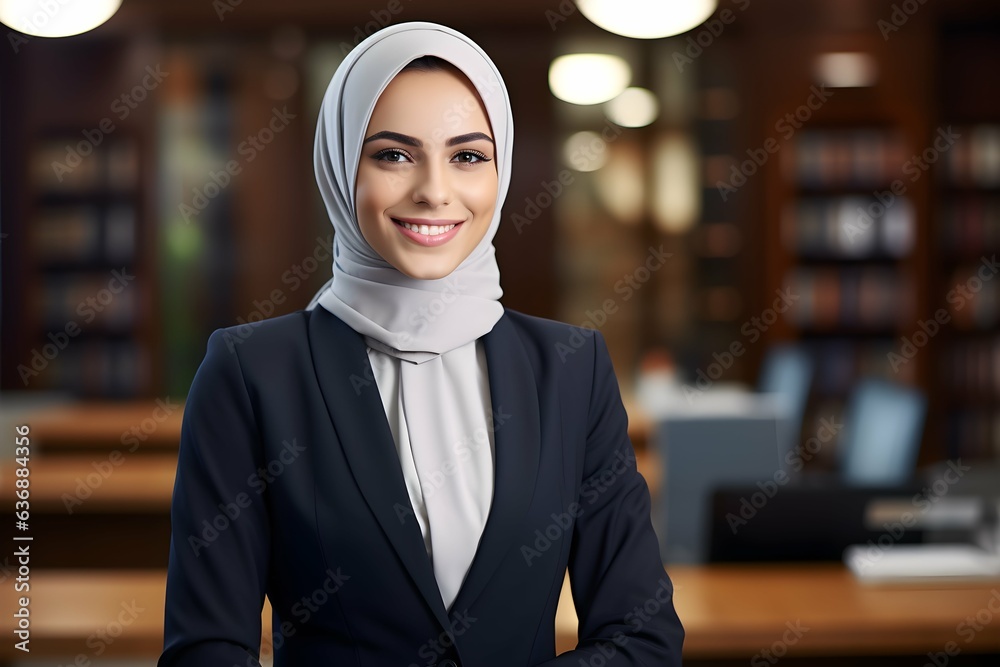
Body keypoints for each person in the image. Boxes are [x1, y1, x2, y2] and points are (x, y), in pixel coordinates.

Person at [157, 21, 683, 667]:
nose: (434, 190)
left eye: (467, 155)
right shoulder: (251, 372)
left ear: (503, 168)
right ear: (340, 165)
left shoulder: (571, 369)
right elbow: (205, 652)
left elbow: (643, 638)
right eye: (393, 154)